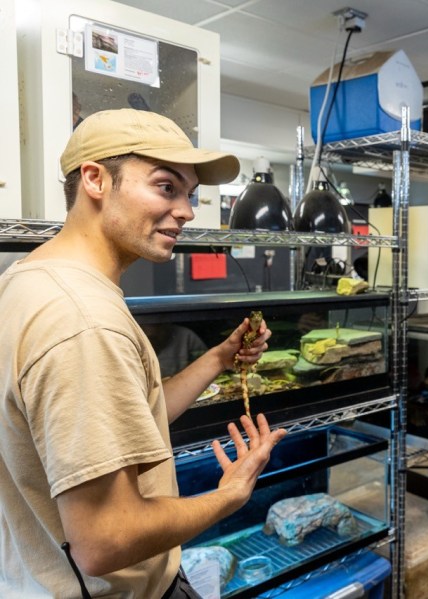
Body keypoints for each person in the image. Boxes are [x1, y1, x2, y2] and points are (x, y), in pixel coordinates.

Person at [0, 108, 287, 598]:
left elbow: (135, 416)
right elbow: (106, 540)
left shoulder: (29, 281)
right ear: (95, 179)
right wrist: (229, 496)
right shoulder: (84, 321)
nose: (188, 211)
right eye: (166, 187)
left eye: (190, 195)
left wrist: (218, 358)